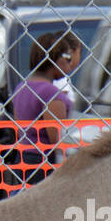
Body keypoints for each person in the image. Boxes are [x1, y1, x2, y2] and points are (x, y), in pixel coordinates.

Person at [9, 30, 83, 189]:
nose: (70, 64)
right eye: (67, 58)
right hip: (43, 163)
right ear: (54, 59)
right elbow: (57, 138)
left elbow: (19, 128)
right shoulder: (50, 94)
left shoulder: (21, 87)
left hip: (23, 158)